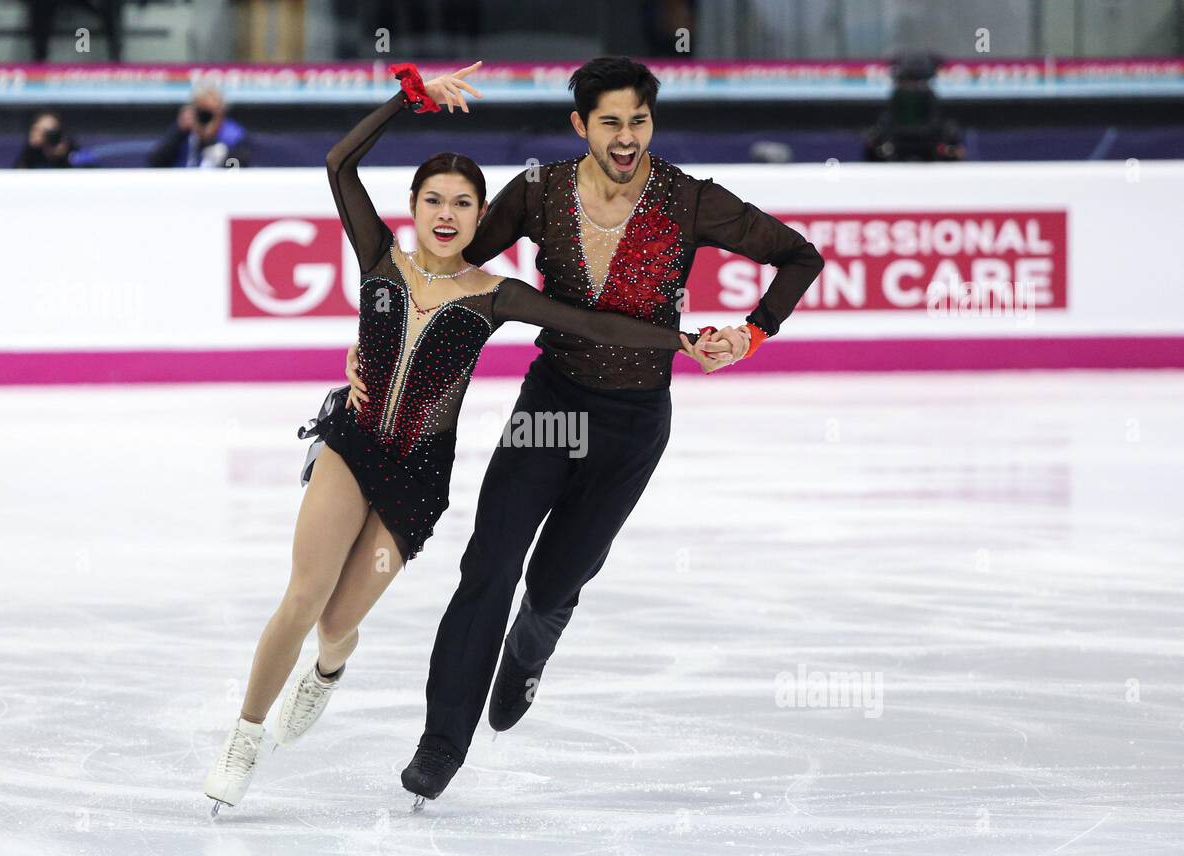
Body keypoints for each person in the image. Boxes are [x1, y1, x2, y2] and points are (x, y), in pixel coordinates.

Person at [202, 62, 719, 816]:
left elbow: (596, 324)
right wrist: (408, 99)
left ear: (481, 218)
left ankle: (328, 670)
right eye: (434, 200)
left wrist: (684, 339)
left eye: (463, 204)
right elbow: (338, 162)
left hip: (416, 481)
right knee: (305, 593)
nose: (447, 214)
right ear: (412, 206)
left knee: (339, 622)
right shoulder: (379, 258)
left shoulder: (496, 296)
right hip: (353, 443)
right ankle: (243, 740)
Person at [345, 56, 825, 803]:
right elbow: (443, 268)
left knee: (554, 580)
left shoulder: (689, 200)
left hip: (635, 423)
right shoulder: (539, 192)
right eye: (611, 122)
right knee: (491, 565)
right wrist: (380, 337)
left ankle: (535, 639)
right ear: (581, 127)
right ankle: (441, 746)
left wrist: (753, 332)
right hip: (553, 409)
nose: (627, 136)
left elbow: (801, 255)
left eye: (638, 119)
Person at [148, 84, 251, 169]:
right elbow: (155, 163)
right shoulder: (183, 132)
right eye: (201, 112)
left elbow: (237, 168)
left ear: (221, 112)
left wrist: (209, 140)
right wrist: (178, 132)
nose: (205, 118)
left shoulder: (235, 135)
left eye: (210, 113)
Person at [14, 112, 95, 169]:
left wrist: (65, 157)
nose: (46, 136)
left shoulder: (73, 152)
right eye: (37, 129)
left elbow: (93, 173)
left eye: (50, 132)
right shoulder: (32, 152)